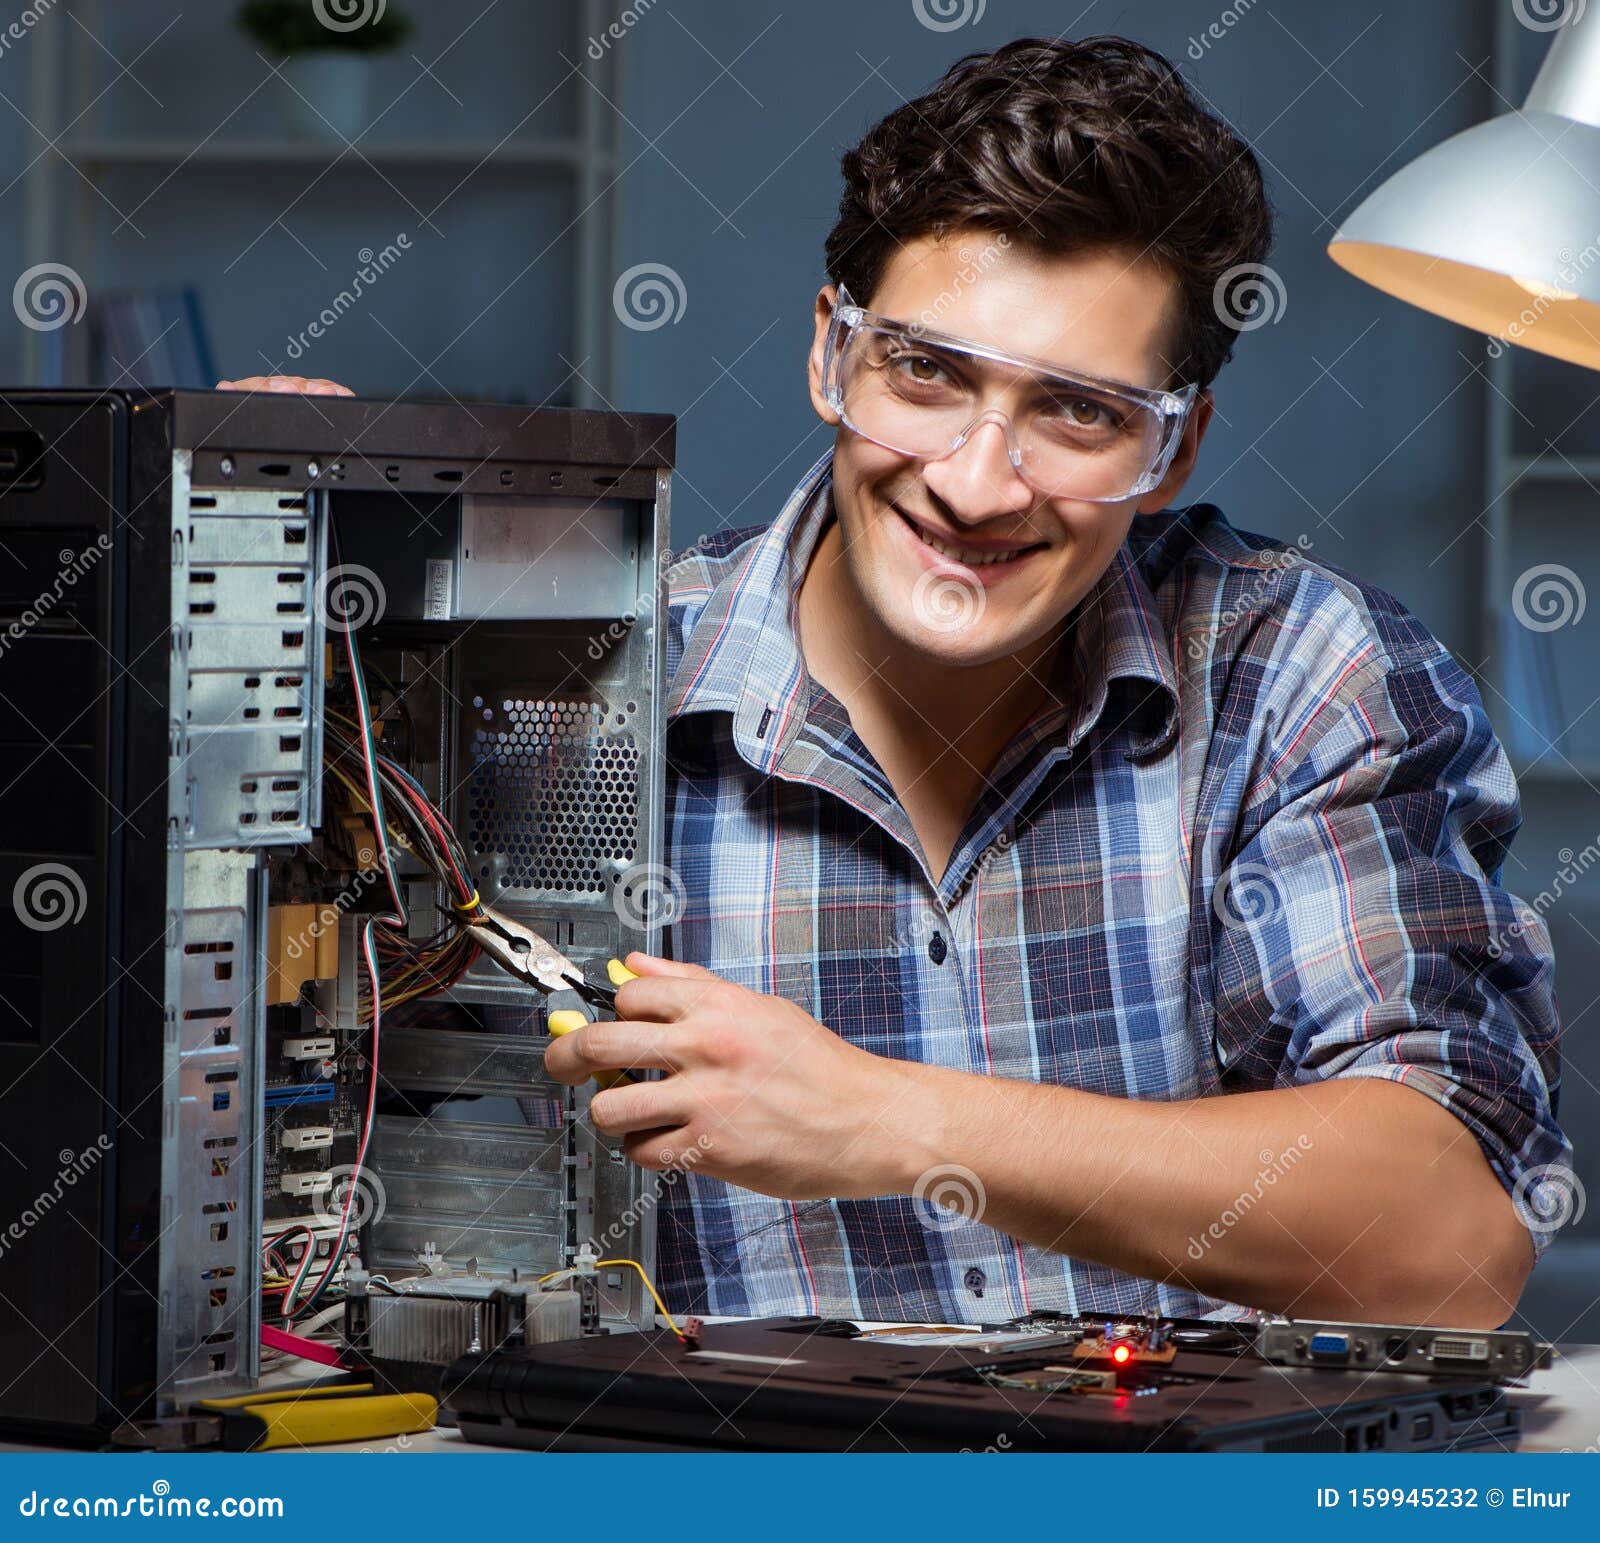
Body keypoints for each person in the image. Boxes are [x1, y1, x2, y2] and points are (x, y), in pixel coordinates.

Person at [223, 36, 1567, 1328]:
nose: (978, 486)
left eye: (1080, 412)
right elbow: (280, 1089)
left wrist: (884, 1118)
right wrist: (248, 629)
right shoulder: (546, 686)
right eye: (925, 373)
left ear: (1175, 448)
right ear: (833, 352)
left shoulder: (1294, 675)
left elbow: (1448, 1243)